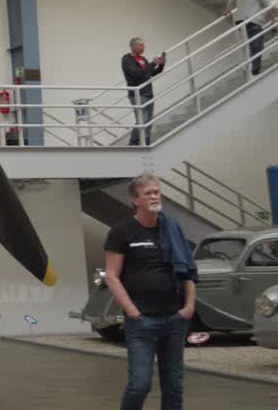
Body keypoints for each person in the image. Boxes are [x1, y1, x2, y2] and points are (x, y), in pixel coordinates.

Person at [103, 171, 197, 410]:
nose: (155, 196)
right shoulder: (122, 232)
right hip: (141, 321)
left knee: (174, 384)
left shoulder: (172, 228)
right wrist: (132, 311)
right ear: (136, 200)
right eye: (149, 193)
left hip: (174, 319)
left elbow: (187, 270)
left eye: (156, 192)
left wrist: (189, 308)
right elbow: (112, 276)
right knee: (140, 384)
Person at [224, 0, 275, 76]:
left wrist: (228, 10)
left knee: (247, 45)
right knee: (257, 45)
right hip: (253, 20)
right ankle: (254, 69)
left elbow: (231, 1)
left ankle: (246, 68)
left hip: (240, 21)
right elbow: (267, 4)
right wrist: (272, 18)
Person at [121, 37, 165, 146]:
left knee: (148, 121)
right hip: (137, 94)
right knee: (142, 120)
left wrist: (161, 64)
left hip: (148, 93)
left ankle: (146, 142)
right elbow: (137, 74)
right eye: (141, 45)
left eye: (143, 45)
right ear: (133, 46)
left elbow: (152, 72)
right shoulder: (127, 59)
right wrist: (152, 64)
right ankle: (133, 144)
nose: (144, 47)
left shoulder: (143, 59)